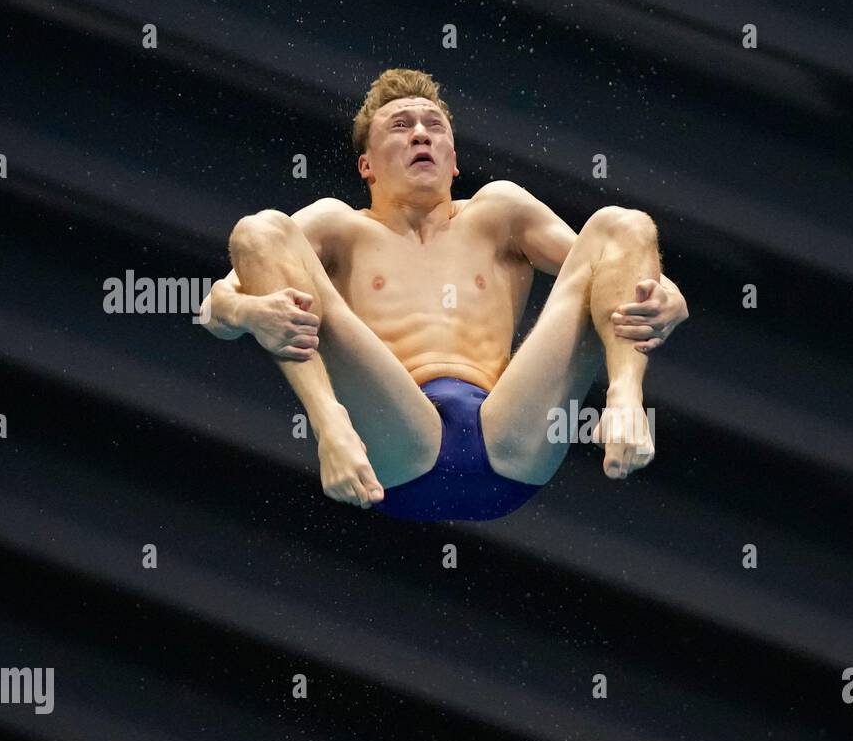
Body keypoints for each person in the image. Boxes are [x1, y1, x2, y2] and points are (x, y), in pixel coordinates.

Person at [199, 68, 688, 521]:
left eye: (434, 126)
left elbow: (618, 263)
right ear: (366, 166)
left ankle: (625, 399)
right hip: (394, 443)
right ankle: (330, 425)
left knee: (623, 224)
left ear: (453, 162)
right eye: (400, 126)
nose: (420, 134)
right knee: (260, 230)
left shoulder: (500, 211)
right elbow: (216, 306)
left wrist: (673, 301)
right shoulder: (338, 227)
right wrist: (250, 311)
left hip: (511, 436)